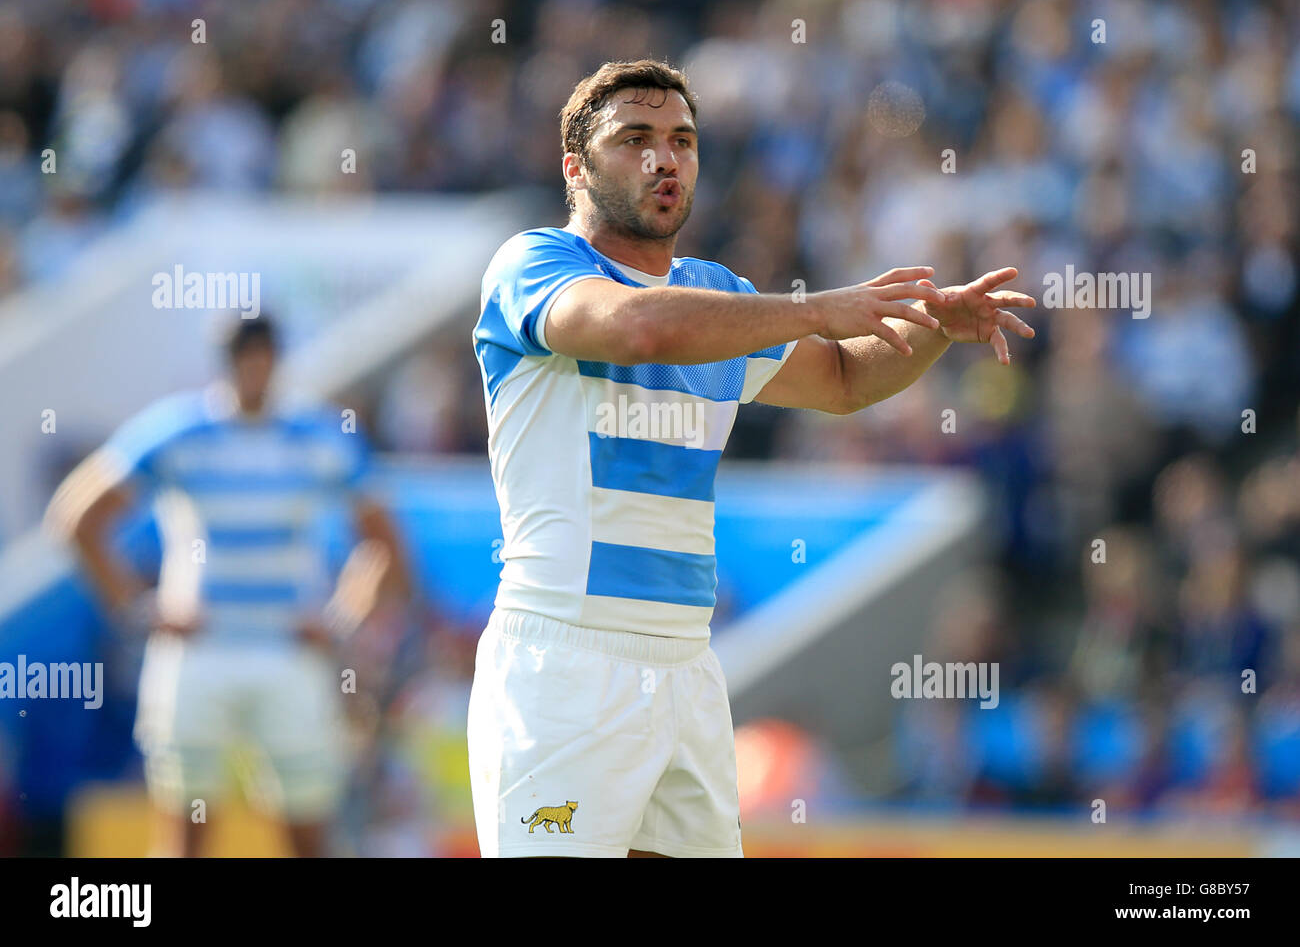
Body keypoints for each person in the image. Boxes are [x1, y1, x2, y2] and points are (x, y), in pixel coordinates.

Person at [468, 59, 1036, 858]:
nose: (665, 159)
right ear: (575, 166)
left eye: (682, 141)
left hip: (686, 669)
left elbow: (841, 380)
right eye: (635, 139)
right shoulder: (533, 264)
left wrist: (937, 330)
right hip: (564, 664)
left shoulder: (718, 298)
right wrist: (816, 308)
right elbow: (637, 329)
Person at [45, 315, 410, 857]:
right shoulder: (177, 430)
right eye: (245, 356)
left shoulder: (317, 434)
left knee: (308, 834)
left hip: (289, 653)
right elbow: (77, 518)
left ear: (277, 360)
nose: (254, 368)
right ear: (227, 362)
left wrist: (344, 617)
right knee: (186, 835)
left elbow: (384, 543)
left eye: (263, 355)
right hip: (198, 654)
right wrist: (139, 610)